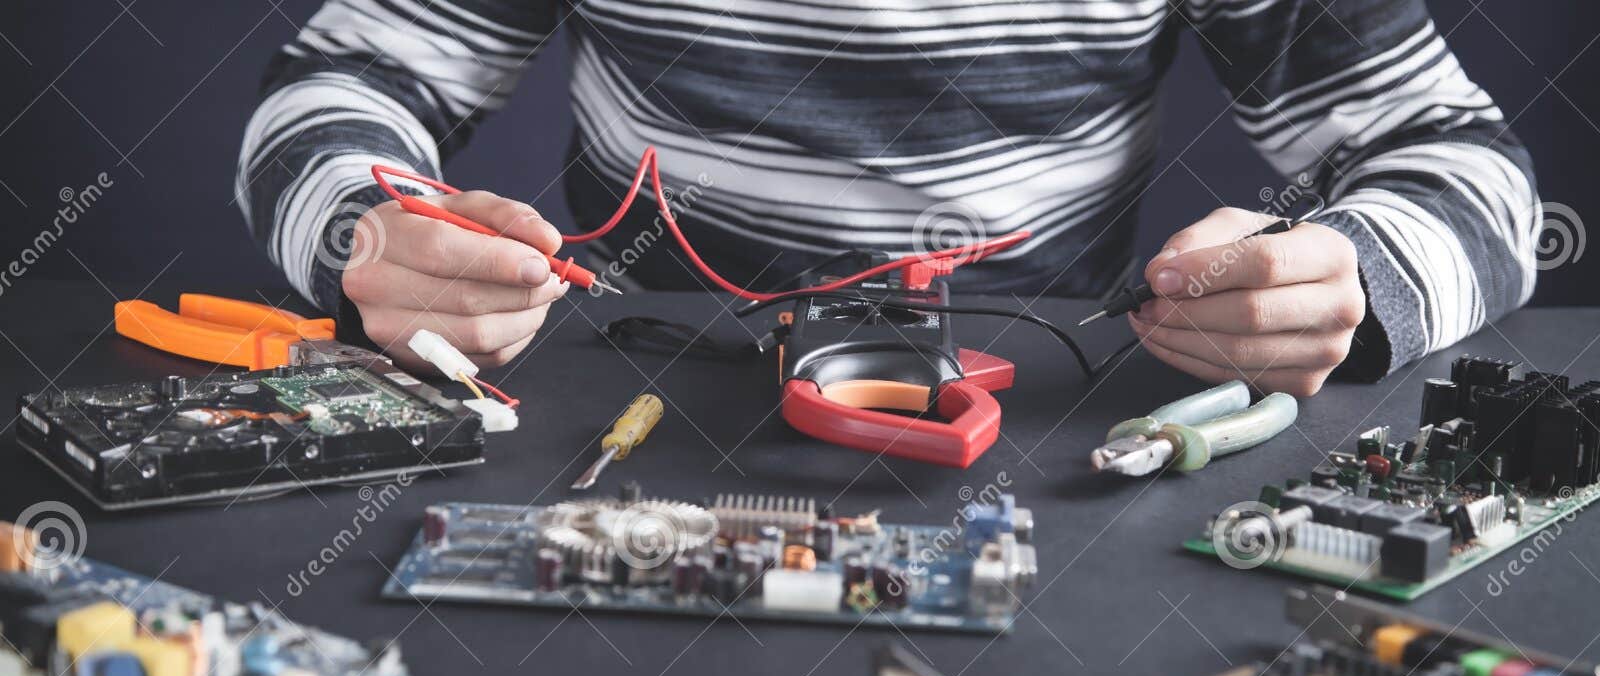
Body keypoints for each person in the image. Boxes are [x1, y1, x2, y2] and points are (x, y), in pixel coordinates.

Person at [236, 0, 1539, 396]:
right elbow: (345, 82)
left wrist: (1354, 276)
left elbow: (1460, 160)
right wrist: (367, 232)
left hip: (1034, 435)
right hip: (607, 421)